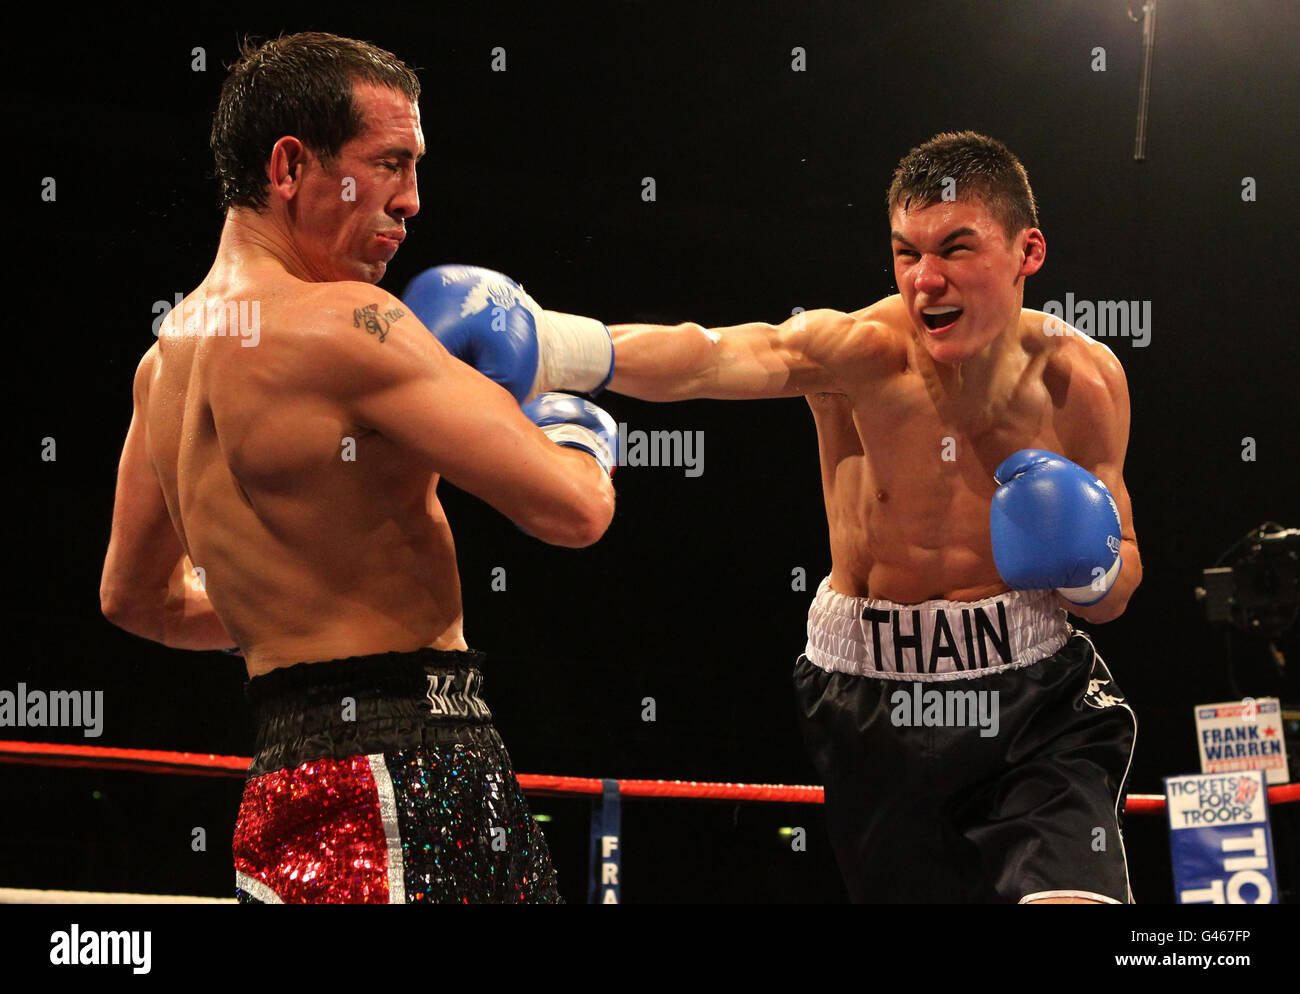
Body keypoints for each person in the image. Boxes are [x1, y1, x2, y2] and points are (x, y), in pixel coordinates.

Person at [98, 32, 618, 904]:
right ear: (291, 165)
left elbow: (136, 599)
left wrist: (292, 610)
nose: (412, 201)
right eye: (389, 163)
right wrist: (577, 434)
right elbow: (574, 511)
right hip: (411, 767)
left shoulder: (165, 362)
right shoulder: (349, 324)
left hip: (281, 785)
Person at [603, 132, 1142, 903]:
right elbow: (709, 356)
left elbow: (1122, 576)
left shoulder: (1082, 378)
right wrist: (558, 348)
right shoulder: (857, 353)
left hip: (1035, 704)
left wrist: (1089, 572)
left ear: (1029, 251)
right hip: (874, 701)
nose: (926, 280)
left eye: (956, 248)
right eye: (905, 253)